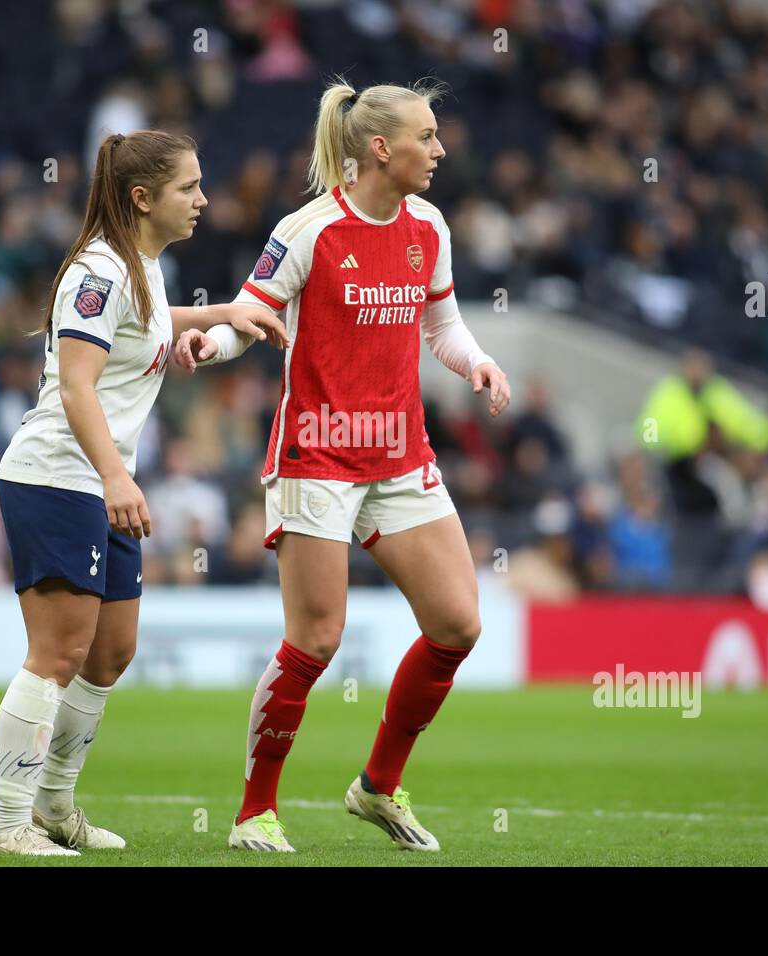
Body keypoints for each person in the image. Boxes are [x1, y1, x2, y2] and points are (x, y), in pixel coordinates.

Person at [175, 79, 511, 852]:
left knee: (458, 623)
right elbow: (249, 312)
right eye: (428, 137)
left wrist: (479, 363)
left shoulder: (428, 223)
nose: (441, 149)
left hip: (400, 454)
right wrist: (211, 343)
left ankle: (377, 787)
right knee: (318, 639)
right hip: (317, 453)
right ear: (381, 149)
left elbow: (443, 323)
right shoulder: (310, 230)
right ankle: (255, 808)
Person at [0, 130, 286, 856]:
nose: (204, 200)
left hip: (98, 482)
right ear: (142, 197)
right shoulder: (98, 270)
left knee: (111, 653)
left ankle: (56, 805)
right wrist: (118, 476)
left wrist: (217, 315)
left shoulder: (143, 267)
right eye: (190, 187)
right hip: (59, 476)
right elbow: (78, 383)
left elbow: (146, 327)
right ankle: (9, 822)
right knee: (57, 654)